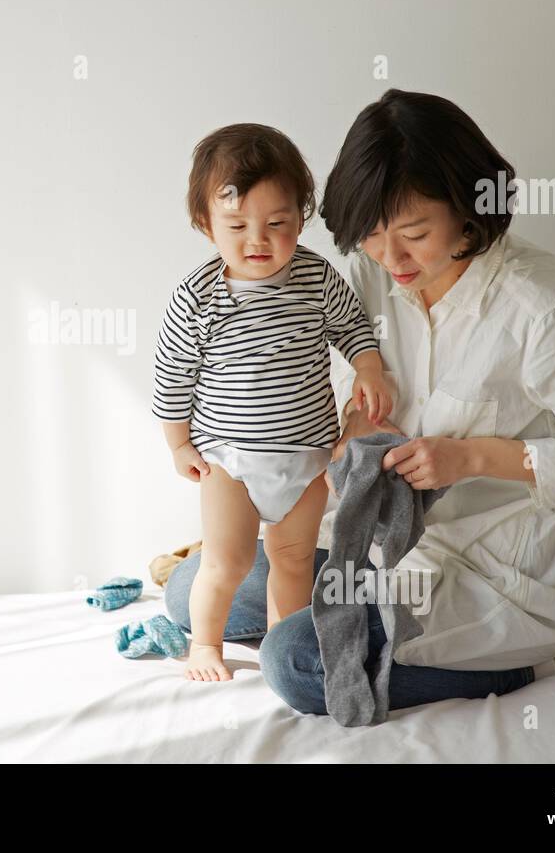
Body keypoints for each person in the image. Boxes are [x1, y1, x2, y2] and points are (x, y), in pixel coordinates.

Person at [164, 90, 555, 714]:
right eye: (371, 235)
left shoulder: (541, 307)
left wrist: (473, 458)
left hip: (492, 576)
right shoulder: (378, 273)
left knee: (293, 660)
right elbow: (370, 385)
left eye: (415, 234)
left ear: (469, 208)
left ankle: (511, 667)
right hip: (388, 550)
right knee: (191, 586)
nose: (390, 258)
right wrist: (352, 426)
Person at [152, 123, 393, 682]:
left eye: (277, 224)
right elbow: (171, 379)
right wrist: (178, 444)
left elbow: (353, 327)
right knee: (227, 560)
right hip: (229, 459)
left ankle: (283, 646)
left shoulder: (314, 277)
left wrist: (368, 366)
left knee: (291, 561)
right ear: (205, 224)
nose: (257, 240)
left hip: (308, 457)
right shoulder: (198, 296)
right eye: (237, 226)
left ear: (300, 219)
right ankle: (206, 647)